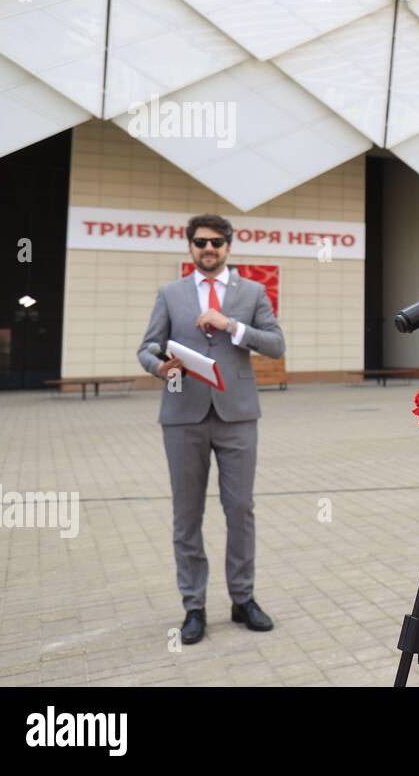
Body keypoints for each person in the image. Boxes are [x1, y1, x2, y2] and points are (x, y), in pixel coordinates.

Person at [137, 215, 285, 644]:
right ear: (190, 247)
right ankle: (194, 606)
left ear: (228, 246)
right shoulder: (170, 293)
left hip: (237, 415)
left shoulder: (252, 292)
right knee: (187, 514)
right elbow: (146, 347)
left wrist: (232, 325)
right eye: (201, 242)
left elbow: (276, 344)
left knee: (240, 509)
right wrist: (159, 367)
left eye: (217, 242)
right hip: (183, 416)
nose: (209, 248)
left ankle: (243, 599)